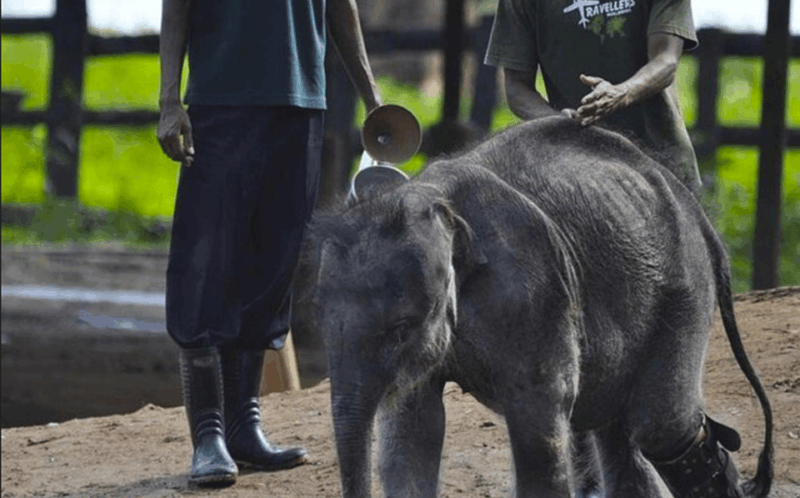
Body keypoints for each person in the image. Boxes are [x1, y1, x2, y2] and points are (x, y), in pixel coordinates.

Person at [156, 0, 382, 486]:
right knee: (206, 261)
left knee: (274, 263)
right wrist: (169, 100)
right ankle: (208, 436)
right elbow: (176, 7)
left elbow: (342, 6)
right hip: (221, 101)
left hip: (301, 105)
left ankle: (243, 427)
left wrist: (372, 97)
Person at [484, 0, 702, 193]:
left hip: (663, 166)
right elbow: (516, 86)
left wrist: (621, 93)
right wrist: (556, 123)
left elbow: (666, 60)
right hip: (577, 175)